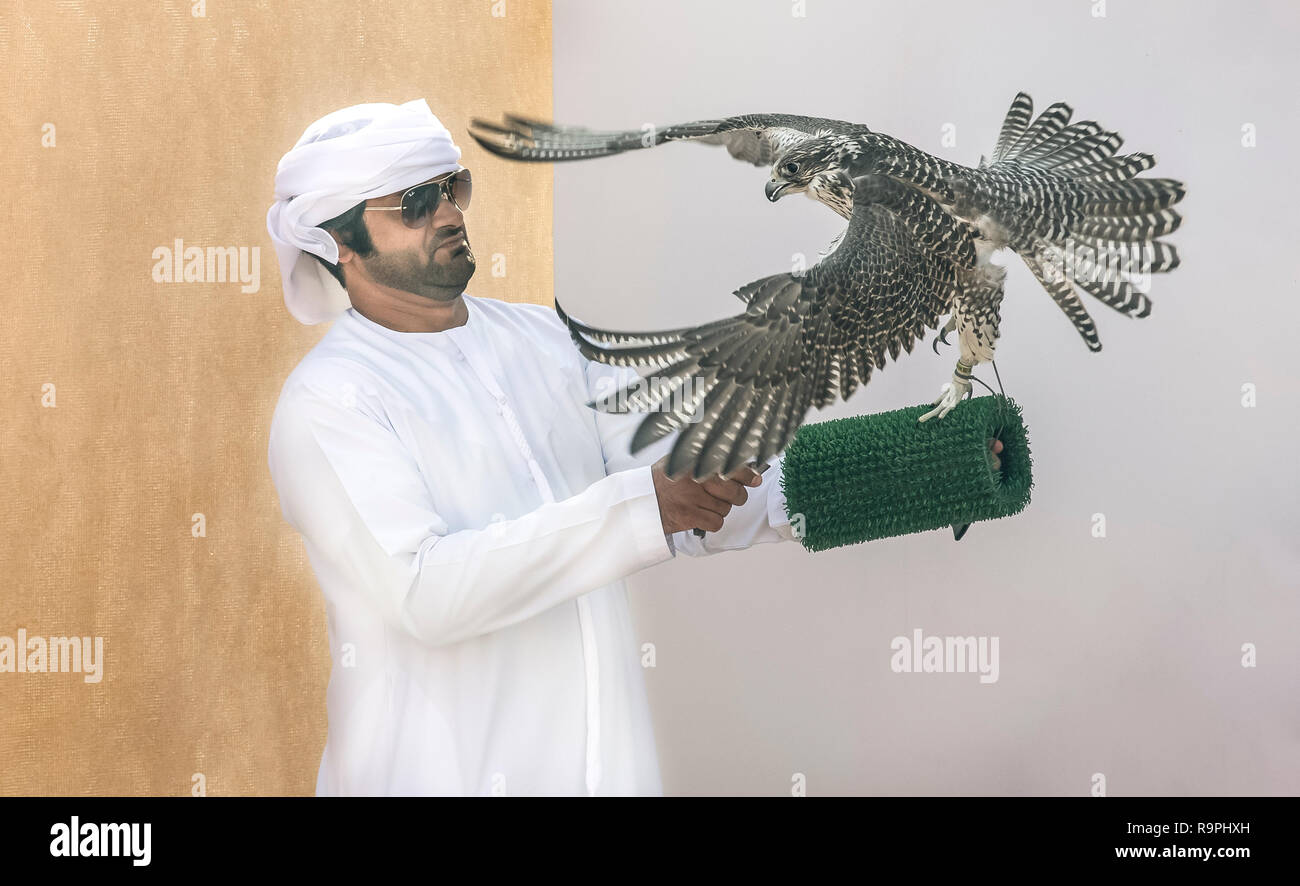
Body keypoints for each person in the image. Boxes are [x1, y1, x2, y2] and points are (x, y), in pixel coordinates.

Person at [265, 99, 1005, 797]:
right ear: (336, 244)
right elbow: (425, 595)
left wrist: (926, 466)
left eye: (452, 186)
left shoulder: (539, 338)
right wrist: (643, 506)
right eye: (415, 204)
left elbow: (690, 483)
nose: (450, 212)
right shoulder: (330, 402)